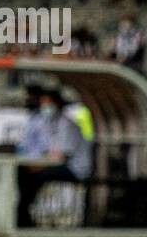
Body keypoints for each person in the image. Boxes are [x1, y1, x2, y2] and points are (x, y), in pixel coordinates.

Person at [16, 89, 92, 228]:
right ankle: (22, 216)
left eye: (48, 102)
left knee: (37, 176)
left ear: (57, 103)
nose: (45, 106)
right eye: (43, 102)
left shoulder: (67, 124)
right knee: (24, 174)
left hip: (76, 169)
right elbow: (48, 151)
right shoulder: (49, 122)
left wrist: (39, 166)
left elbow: (63, 156)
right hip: (59, 164)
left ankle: (23, 217)